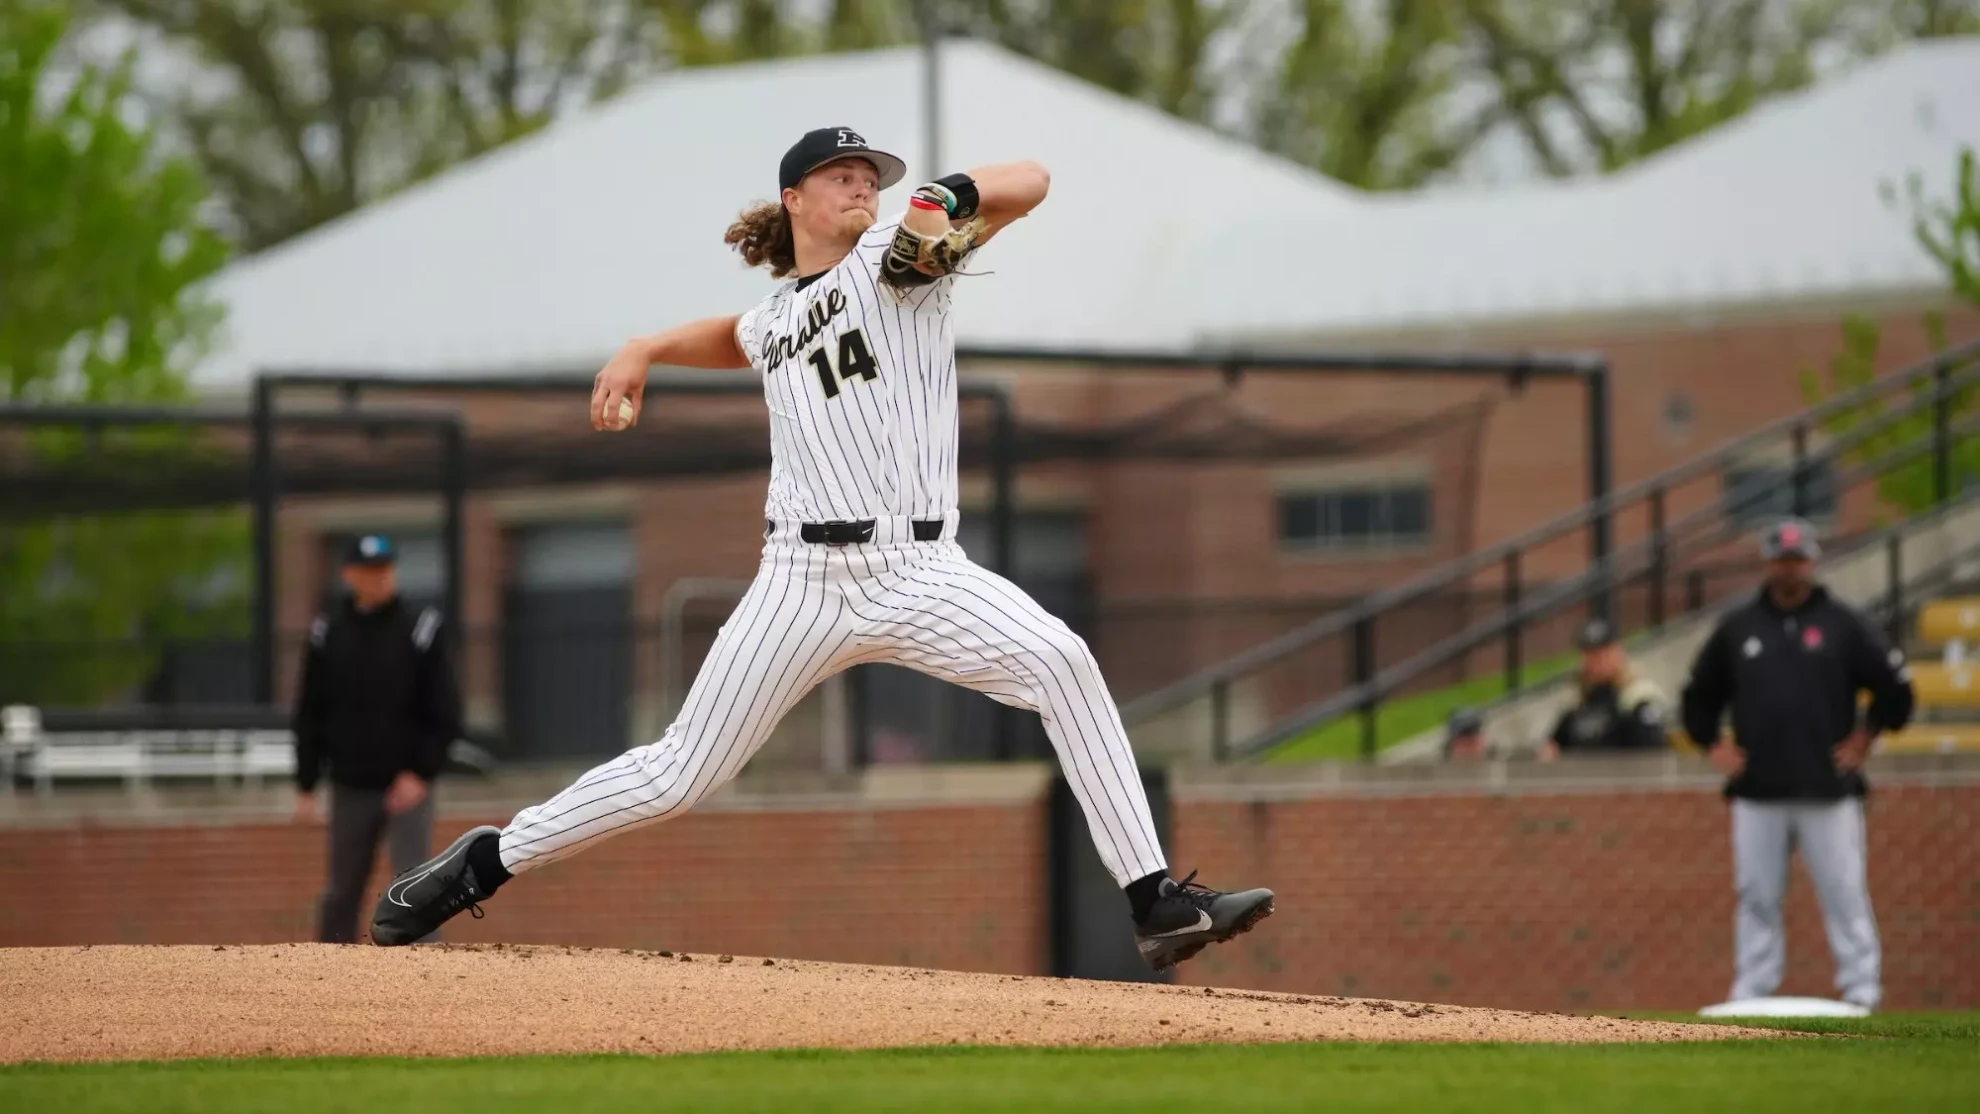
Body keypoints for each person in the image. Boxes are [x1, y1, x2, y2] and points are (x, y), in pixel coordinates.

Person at [370, 127, 1274, 970]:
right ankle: (485, 863)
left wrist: (948, 195)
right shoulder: (774, 320)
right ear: (794, 197)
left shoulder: (904, 262)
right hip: (798, 583)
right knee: (682, 772)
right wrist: (643, 346)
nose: (862, 187)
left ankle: (1155, 902)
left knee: (1063, 661)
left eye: (869, 178)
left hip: (919, 572)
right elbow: (733, 338)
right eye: (842, 176)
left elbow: (1032, 184)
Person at [1679, 517, 1914, 1010]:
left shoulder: (1844, 624)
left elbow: (1896, 688)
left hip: (1827, 787)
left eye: (1799, 558)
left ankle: (1860, 985)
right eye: (1783, 559)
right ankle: (1753, 986)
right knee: (1756, 894)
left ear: (1812, 561)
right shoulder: (1739, 628)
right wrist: (1713, 746)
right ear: (1769, 562)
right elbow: (1698, 696)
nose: (1791, 568)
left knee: (1844, 889)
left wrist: (1866, 736)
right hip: (1757, 788)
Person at [295, 534, 462, 944]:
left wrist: (420, 772)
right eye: (369, 571)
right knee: (341, 889)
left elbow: (445, 710)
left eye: (385, 570)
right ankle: (327, 972)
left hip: (406, 784)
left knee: (414, 883)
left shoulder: (420, 629)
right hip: (351, 782)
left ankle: (425, 973)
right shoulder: (328, 631)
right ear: (349, 575)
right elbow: (310, 709)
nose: (379, 579)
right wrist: (306, 781)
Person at [1539, 618, 1668, 760]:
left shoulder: (1637, 697)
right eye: (1589, 654)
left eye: (1601, 654)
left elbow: (1650, 750)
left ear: (1618, 653)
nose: (1594, 662)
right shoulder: (1578, 703)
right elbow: (1552, 746)